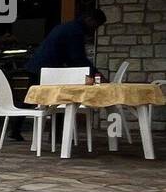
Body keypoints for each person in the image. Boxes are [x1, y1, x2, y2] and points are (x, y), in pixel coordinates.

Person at [10, 9, 107, 140]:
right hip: (47, 68)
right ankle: (56, 135)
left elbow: (73, 57)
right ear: (89, 20)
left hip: (40, 65)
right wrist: (95, 73)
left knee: (31, 99)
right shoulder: (75, 31)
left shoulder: (69, 27)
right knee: (60, 99)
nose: (95, 29)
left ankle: (17, 130)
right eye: (96, 25)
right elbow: (77, 58)